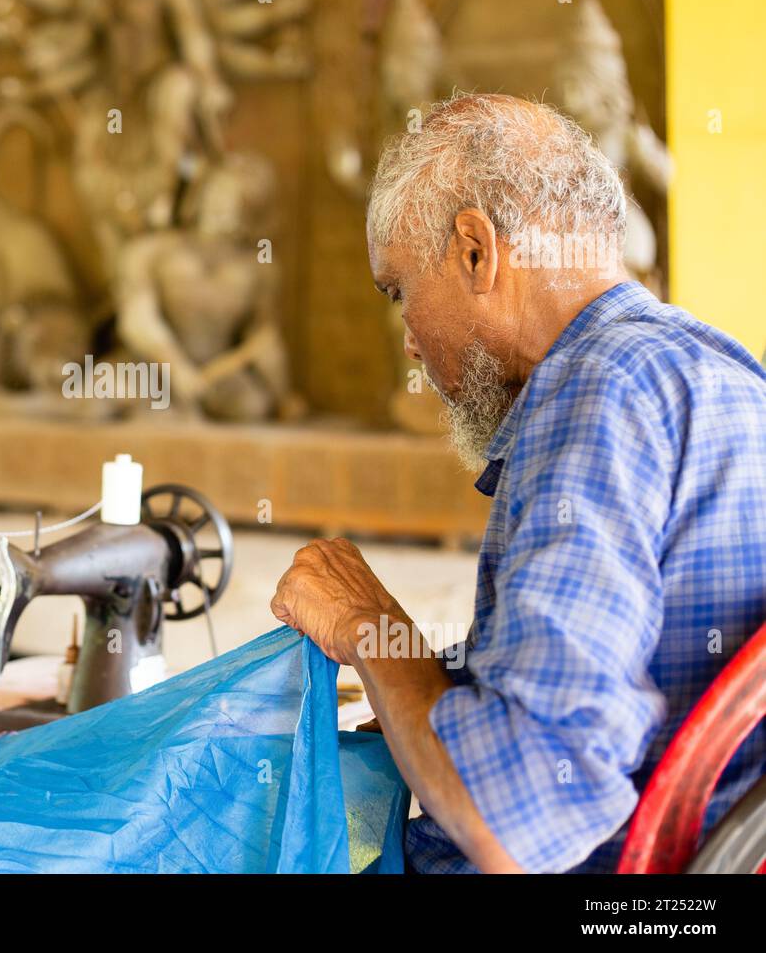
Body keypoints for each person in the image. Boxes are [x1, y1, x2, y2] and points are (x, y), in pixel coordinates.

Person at [270, 93, 766, 872]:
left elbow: (514, 817)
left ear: (476, 251)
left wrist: (367, 625)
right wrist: (417, 697)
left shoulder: (598, 395)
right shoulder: (715, 367)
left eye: (399, 292)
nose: (407, 345)